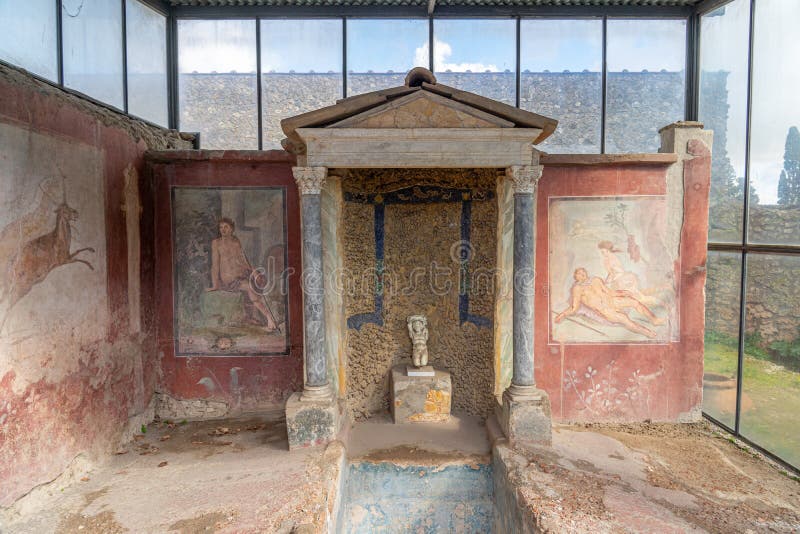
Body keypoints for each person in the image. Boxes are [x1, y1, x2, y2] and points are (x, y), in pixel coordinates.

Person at [206, 217, 278, 331]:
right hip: (229, 281)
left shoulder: (236, 241)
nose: (223, 230)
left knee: (260, 280)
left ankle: (250, 317)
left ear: (232, 229)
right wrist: (215, 285)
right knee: (250, 287)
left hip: (241, 275)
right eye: (221, 227)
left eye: (226, 227)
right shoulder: (216, 243)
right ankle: (269, 318)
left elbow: (243, 261)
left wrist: (254, 273)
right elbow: (215, 266)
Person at [555, 267, 665, 339]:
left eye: (583, 272)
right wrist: (563, 314)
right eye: (579, 273)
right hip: (605, 310)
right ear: (576, 276)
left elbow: (609, 292)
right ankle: (647, 332)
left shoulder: (596, 280)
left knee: (634, 302)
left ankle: (654, 320)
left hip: (613, 301)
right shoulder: (577, 289)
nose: (582, 273)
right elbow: (574, 307)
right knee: (624, 319)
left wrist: (622, 292)